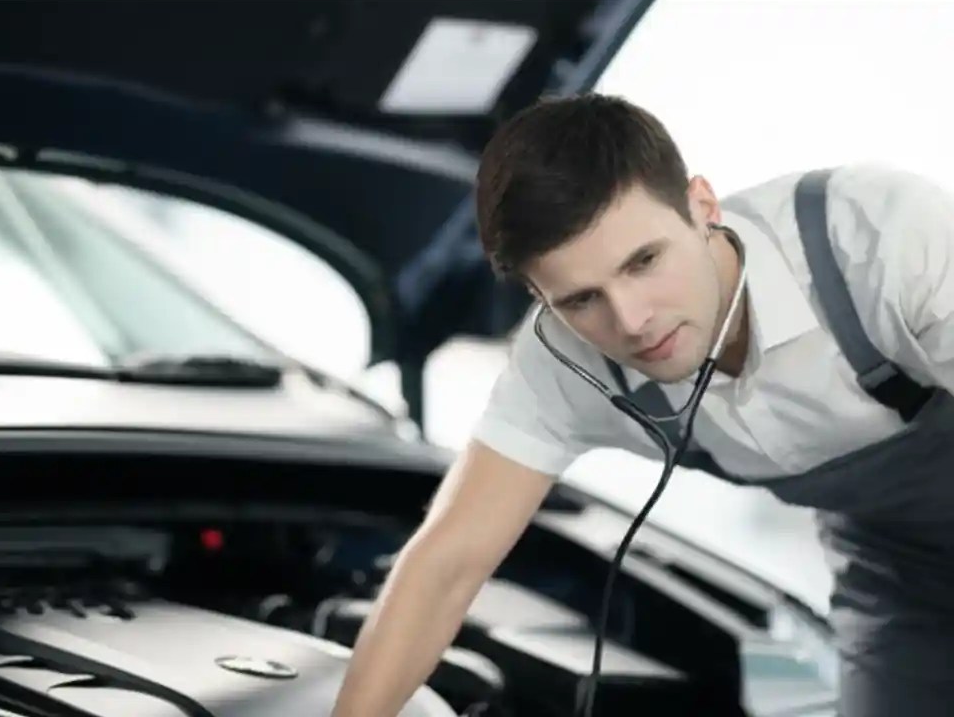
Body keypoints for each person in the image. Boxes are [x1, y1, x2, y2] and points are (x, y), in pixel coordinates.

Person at [329, 93, 954, 717]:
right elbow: (446, 563)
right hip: (897, 575)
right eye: (579, 299)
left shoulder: (882, 241)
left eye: (644, 261)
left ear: (701, 205)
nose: (632, 322)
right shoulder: (559, 363)